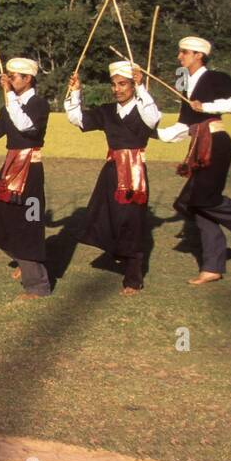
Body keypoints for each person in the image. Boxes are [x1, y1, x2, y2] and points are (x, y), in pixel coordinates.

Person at [65, 62, 160, 295]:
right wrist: (76, 91)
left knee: (133, 221)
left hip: (135, 172)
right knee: (106, 215)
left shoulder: (144, 109)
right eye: (114, 84)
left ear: (133, 85)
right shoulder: (107, 111)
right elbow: (78, 119)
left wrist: (142, 88)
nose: (117, 89)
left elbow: (153, 119)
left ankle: (133, 279)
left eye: (123, 84)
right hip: (111, 171)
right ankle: (118, 252)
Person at [0, 58, 52, 298]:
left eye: (14, 76)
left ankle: (38, 284)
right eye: (9, 75)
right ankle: (24, 260)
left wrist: (8, 95)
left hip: (31, 172)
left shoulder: (39, 104)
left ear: (28, 79)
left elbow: (25, 126)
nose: (9, 79)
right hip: (9, 170)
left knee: (29, 223)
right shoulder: (9, 106)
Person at [155, 36, 231, 285]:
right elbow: (182, 126)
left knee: (202, 199)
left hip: (217, 145)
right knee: (196, 205)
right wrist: (150, 133)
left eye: (184, 52)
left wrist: (206, 107)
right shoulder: (186, 87)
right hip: (199, 146)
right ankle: (212, 266)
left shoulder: (216, 78)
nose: (179, 57)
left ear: (199, 55)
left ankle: (212, 263)